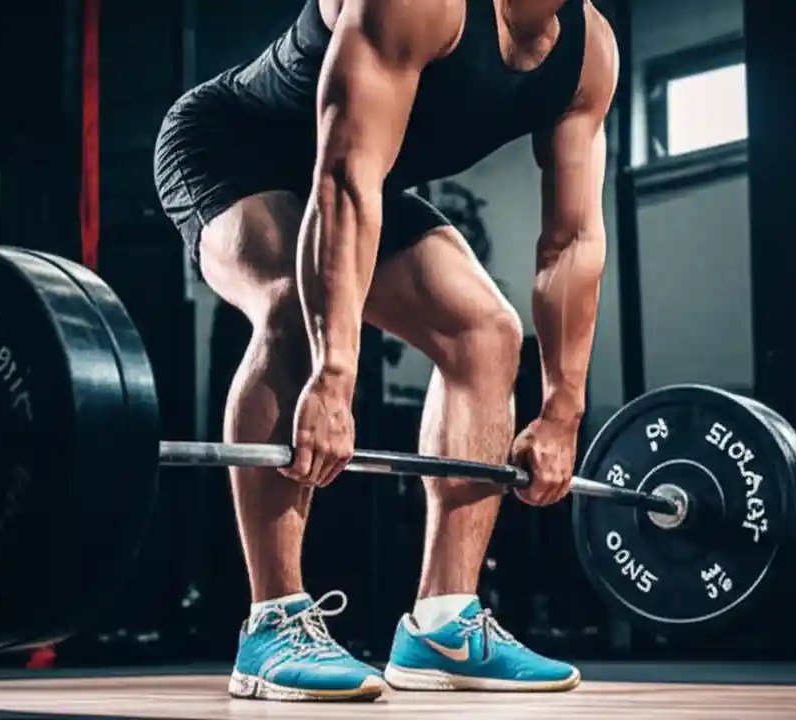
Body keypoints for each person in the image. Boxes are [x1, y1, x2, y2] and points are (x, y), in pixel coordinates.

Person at [153, 0, 617, 702]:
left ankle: (444, 626)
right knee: (293, 308)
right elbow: (344, 179)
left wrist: (562, 412)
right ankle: (273, 623)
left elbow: (574, 242)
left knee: (486, 335)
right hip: (235, 152)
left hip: (364, 178)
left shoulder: (589, 54)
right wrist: (334, 374)